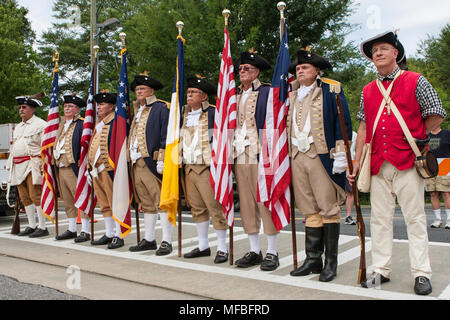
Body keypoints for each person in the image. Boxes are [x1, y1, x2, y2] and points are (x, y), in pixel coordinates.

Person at [348, 30, 446, 295]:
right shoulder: (368, 89)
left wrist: (416, 137)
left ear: (395, 53)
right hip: (378, 162)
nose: (377, 53)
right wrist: (357, 161)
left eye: (383, 49)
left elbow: (436, 113)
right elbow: (364, 127)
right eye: (374, 51)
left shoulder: (416, 80)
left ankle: (422, 273)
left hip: (408, 161)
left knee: (414, 219)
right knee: (380, 219)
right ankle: (381, 270)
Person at [287, 48, 352, 282]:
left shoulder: (330, 89)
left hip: (322, 155)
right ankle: (313, 259)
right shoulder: (292, 94)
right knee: (309, 209)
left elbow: (342, 121)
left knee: (327, 208)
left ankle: (330, 263)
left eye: (305, 67)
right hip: (297, 155)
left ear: (316, 70)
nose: (300, 71)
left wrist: (342, 155)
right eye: (297, 68)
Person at [233, 50, 280, 271]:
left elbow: (273, 122)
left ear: (257, 72)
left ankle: (272, 251)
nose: (243, 71)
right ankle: (254, 250)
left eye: (247, 69)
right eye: (240, 69)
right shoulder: (233, 96)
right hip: (240, 153)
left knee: (264, 201)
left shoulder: (267, 92)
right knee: (247, 202)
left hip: (261, 152)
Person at [180, 75, 229, 263]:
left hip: (207, 167)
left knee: (215, 208)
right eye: (189, 92)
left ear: (204, 96)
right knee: (197, 209)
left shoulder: (214, 113)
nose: (189, 95)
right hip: (189, 167)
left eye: (194, 92)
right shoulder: (183, 114)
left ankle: (222, 247)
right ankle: (203, 246)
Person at [127, 73, 173, 256]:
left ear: (151, 91)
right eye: (137, 89)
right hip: (136, 162)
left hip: (151, 162)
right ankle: (149, 238)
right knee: (146, 203)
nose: (139, 91)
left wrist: (162, 159)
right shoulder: (137, 110)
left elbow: (165, 135)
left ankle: (166, 240)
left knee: (161, 202)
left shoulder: (161, 108)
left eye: (142, 89)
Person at [7, 93, 48, 238]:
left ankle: (42, 226)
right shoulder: (18, 127)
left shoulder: (41, 125)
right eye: (20, 107)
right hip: (18, 165)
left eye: (24, 107)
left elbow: (45, 146)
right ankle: (31, 225)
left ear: (32, 109)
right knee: (25, 197)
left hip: (33, 164)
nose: (21, 110)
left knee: (35, 195)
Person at [88, 91, 124, 249]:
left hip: (109, 168)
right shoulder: (99, 124)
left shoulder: (115, 122)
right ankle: (109, 233)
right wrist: (89, 168)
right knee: (104, 204)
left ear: (111, 107)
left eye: (102, 104)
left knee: (115, 202)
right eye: (98, 104)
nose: (99, 107)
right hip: (96, 170)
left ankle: (118, 234)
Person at [53, 94, 88, 242]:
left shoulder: (81, 124)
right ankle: (72, 228)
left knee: (80, 198)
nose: (67, 108)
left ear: (77, 109)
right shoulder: (61, 125)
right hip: (60, 166)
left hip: (73, 166)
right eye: (66, 106)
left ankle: (85, 230)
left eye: (71, 106)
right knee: (67, 201)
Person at [426, 126, 450, 229]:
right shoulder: (426, 135)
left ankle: (449, 220)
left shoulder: (447, 134)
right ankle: (437, 220)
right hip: (430, 165)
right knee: (433, 193)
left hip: (445, 164)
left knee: (445, 193)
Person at [345, 131, 357, 226]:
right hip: (338, 164)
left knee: (351, 192)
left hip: (350, 165)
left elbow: (356, 152)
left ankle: (348, 216)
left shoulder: (354, 135)